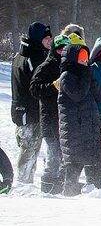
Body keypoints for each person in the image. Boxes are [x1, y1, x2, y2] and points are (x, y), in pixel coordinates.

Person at [30, 34, 76, 193]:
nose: (63, 51)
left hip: (67, 118)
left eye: (66, 49)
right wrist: (52, 86)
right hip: (50, 117)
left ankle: (64, 186)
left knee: (66, 156)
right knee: (53, 155)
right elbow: (34, 89)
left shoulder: (72, 66)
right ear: (55, 49)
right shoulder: (46, 66)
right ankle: (48, 188)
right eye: (60, 48)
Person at [57, 42, 101, 196]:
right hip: (74, 128)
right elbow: (78, 94)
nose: (85, 62)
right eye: (81, 59)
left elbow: (98, 95)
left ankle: (94, 188)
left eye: (86, 59)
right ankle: (69, 193)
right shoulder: (67, 76)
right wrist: (86, 75)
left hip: (89, 125)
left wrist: (90, 77)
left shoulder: (86, 74)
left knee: (92, 159)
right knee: (74, 163)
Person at [10, 22, 53, 184]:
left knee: (30, 149)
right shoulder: (32, 58)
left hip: (24, 111)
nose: (50, 41)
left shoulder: (22, 55)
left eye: (50, 38)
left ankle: (25, 182)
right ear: (37, 39)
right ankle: (22, 184)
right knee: (29, 150)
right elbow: (36, 87)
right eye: (46, 38)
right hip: (30, 112)